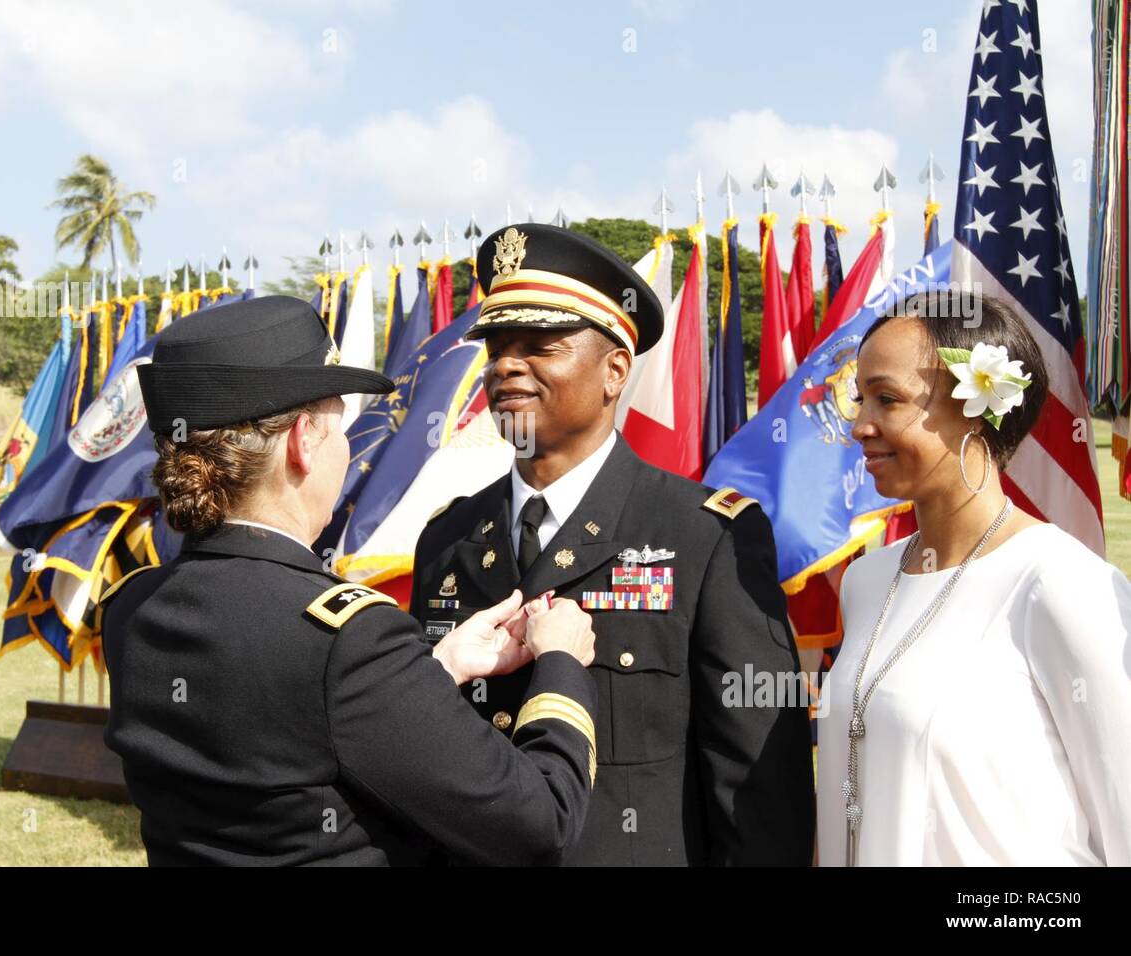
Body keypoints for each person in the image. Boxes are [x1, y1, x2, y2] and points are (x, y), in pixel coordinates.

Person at [100, 294, 600, 866]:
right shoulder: (347, 637)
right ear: (304, 442)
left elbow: (286, 724)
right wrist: (560, 662)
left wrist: (433, 672)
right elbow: (540, 826)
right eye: (342, 428)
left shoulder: (131, 605)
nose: (348, 447)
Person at [409, 224, 816, 865]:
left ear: (615, 370)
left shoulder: (704, 535)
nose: (507, 365)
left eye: (540, 344)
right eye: (496, 349)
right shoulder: (447, 539)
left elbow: (758, 791)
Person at [817, 291, 1131, 866]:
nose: (861, 425)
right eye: (859, 399)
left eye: (887, 399)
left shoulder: (1061, 583)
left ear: (977, 407)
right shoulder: (866, 581)